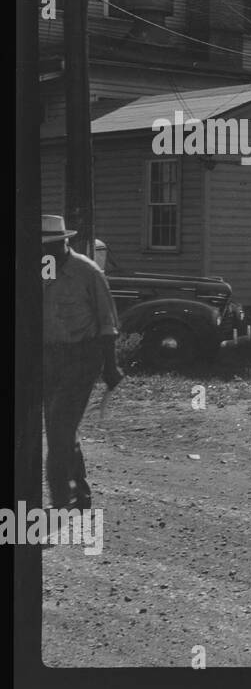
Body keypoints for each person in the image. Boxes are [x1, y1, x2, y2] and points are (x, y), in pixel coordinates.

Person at [42, 215, 122, 510]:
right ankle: (81, 496)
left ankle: (61, 502)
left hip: (81, 358)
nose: (43, 252)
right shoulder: (39, 270)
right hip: (47, 359)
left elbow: (106, 323)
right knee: (59, 428)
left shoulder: (86, 272)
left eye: (49, 246)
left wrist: (110, 366)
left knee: (60, 430)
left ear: (64, 242)